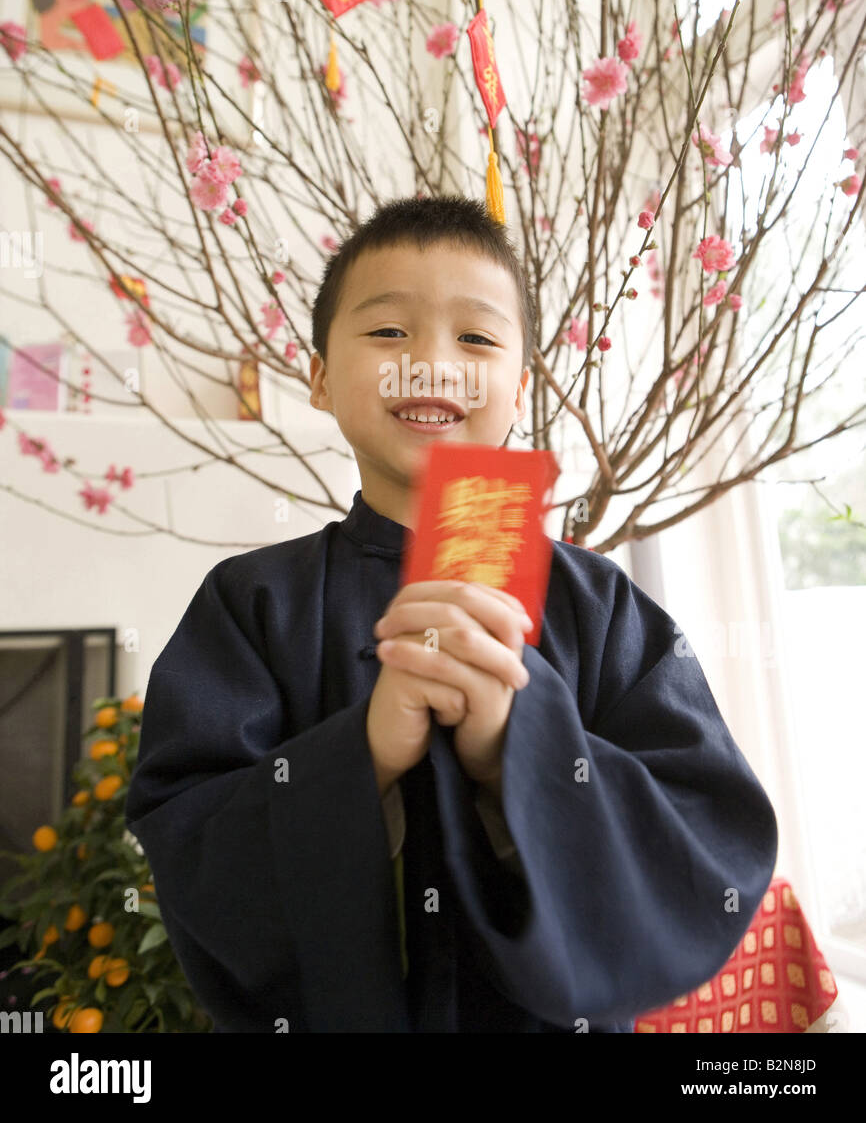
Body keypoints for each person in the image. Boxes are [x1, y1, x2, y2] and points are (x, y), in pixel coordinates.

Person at [125, 194, 778, 1033]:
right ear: (319, 376)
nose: (431, 365)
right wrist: (360, 757)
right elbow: (188, 838)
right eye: (389, 332)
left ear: (521, 386)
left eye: (475, 338)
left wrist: (522, 745)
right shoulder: (251, 602)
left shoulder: (600, 604)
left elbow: (709, 840)